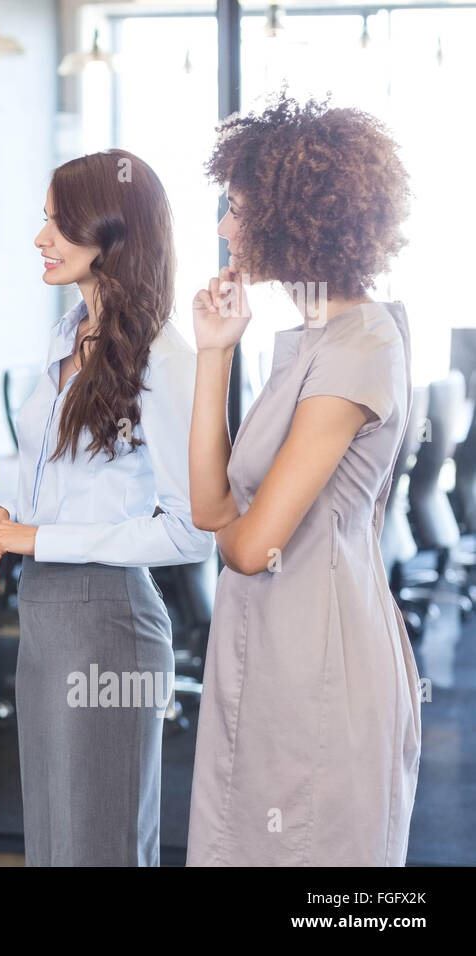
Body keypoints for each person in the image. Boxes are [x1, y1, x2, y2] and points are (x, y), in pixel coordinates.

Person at [186, 92, 421, 865]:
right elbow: (211, 507)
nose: (225, 228)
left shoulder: (360, 344)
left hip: (322, 662)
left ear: (294, 216)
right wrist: (213, 352)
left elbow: (250, 547)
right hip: (262, 651)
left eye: (238, 209)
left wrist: (237, 533)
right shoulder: (311, 339)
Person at [0, 149, 214, 865]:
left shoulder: (164, 360)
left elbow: (191, 530)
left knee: (94, 846)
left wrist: (35, 538)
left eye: (58, 222)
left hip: (108, 622)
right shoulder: (66, 337)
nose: (41, 238)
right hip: (44, 613)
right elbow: (41, 472)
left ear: (112, 232)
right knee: (54, 844)